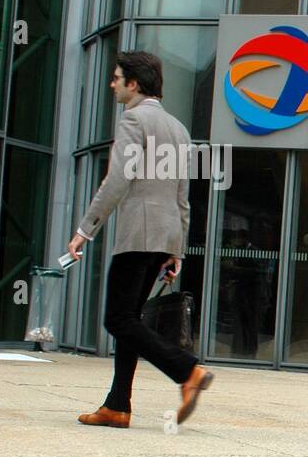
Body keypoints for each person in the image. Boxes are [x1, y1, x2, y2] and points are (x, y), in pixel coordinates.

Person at [67, 51, 214, 429]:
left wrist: (86, 229)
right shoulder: (179, 129)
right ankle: (117, 405)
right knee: (129, 319)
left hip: (138, 234)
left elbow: (117, 180)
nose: (112, 84)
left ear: (134, 84)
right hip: (163, 237)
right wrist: (176, 250)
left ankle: (187, 371)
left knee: (117, 319)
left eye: (117, 78)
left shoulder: (133, 119)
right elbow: (184, 194)